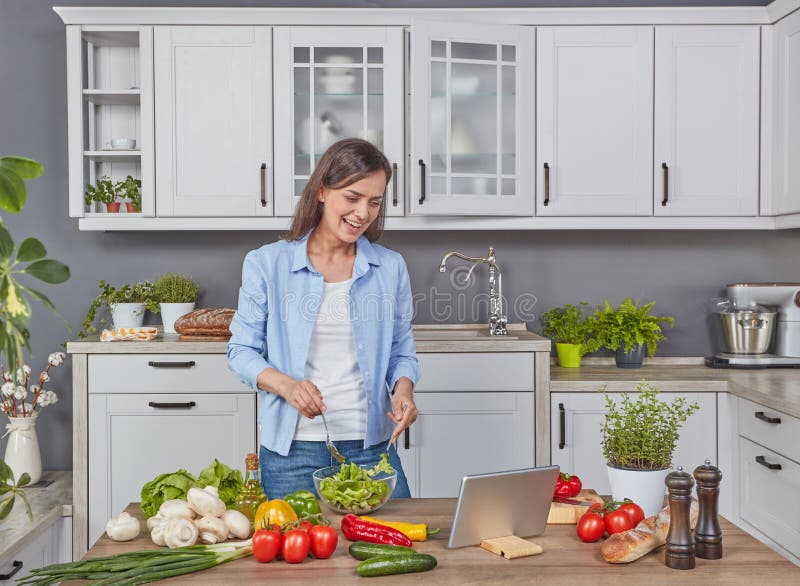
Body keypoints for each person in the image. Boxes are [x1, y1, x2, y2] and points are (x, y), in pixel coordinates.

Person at [227, 138, 420, 500]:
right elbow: (240, 352)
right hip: (292, 451)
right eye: (352, 197)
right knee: (297, 553)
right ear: (321, 192)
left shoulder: (389, 267)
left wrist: (404, 389)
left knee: (397, 546)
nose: (363, 212)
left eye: (374, 202)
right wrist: (287, 386)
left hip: (372, 448)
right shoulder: (268, 264)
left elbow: (401, 349)